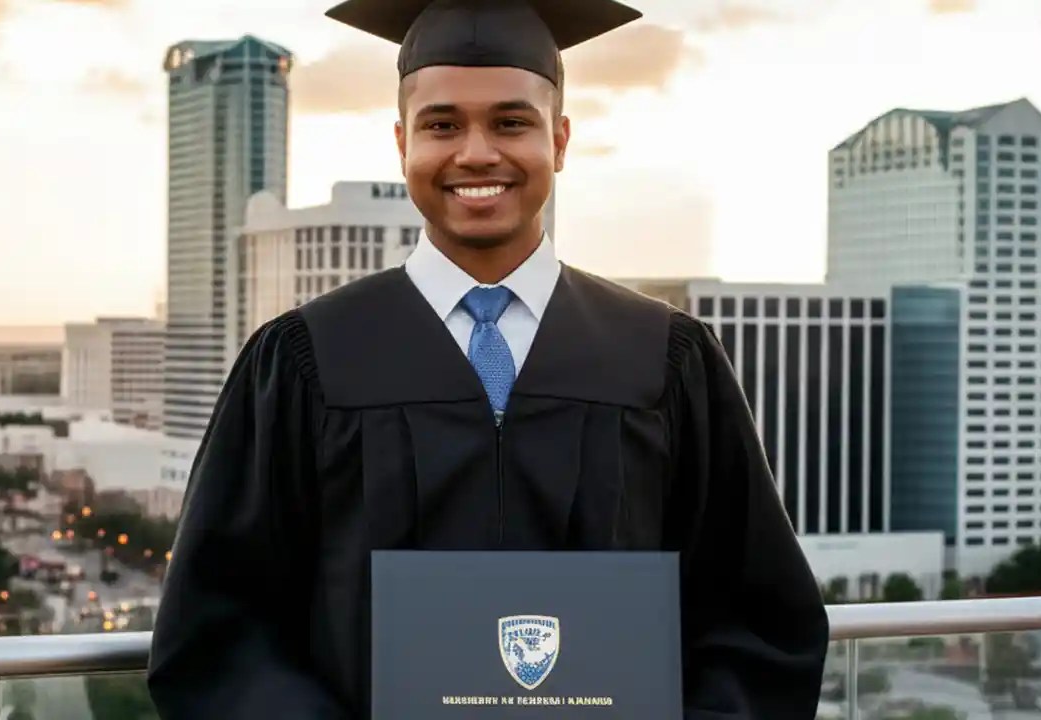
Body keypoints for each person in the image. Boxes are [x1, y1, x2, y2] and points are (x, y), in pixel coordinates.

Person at [146, 0, 830, 717]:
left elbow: (761, 623)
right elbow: (218, 633)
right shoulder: (303, 360)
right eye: (442, 125)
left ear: (560, 141)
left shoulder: (664, 358)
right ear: (401, 142)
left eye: (511, 122)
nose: (476, 153)